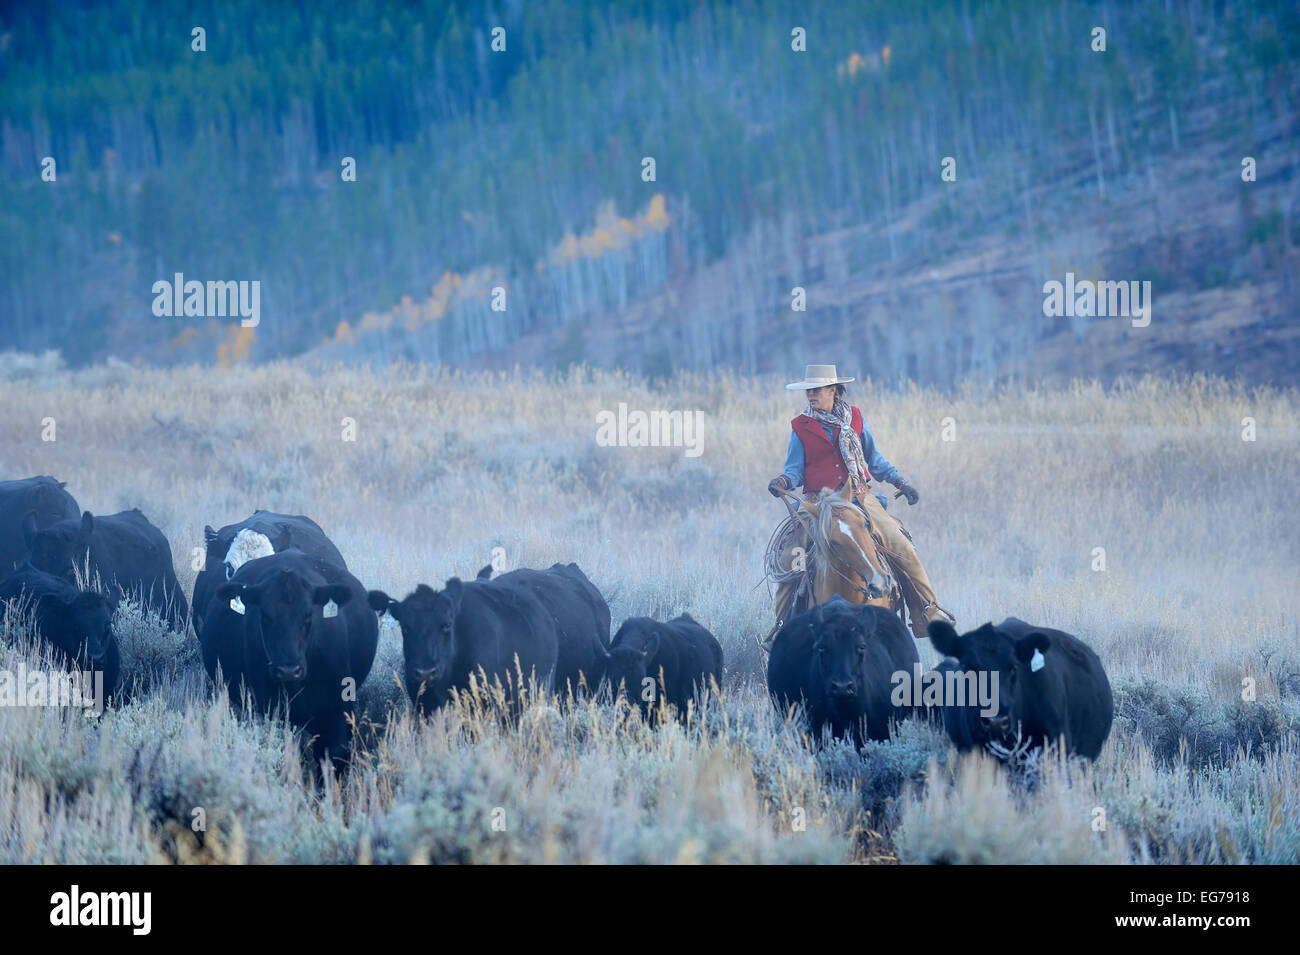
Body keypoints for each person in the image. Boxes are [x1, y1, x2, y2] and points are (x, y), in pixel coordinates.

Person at [767, 363, 954, 642]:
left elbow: (874, 460)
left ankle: (927, 610)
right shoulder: (800, 427)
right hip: (818, 502)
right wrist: (784, 480)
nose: (811, 396)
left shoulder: (854, 418)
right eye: (809, 391)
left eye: (816, 390)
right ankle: (781, 626)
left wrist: (900, 482)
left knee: (900, 544)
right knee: (791, 558)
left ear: (833, 390)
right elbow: (795, 469)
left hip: (860, 496)